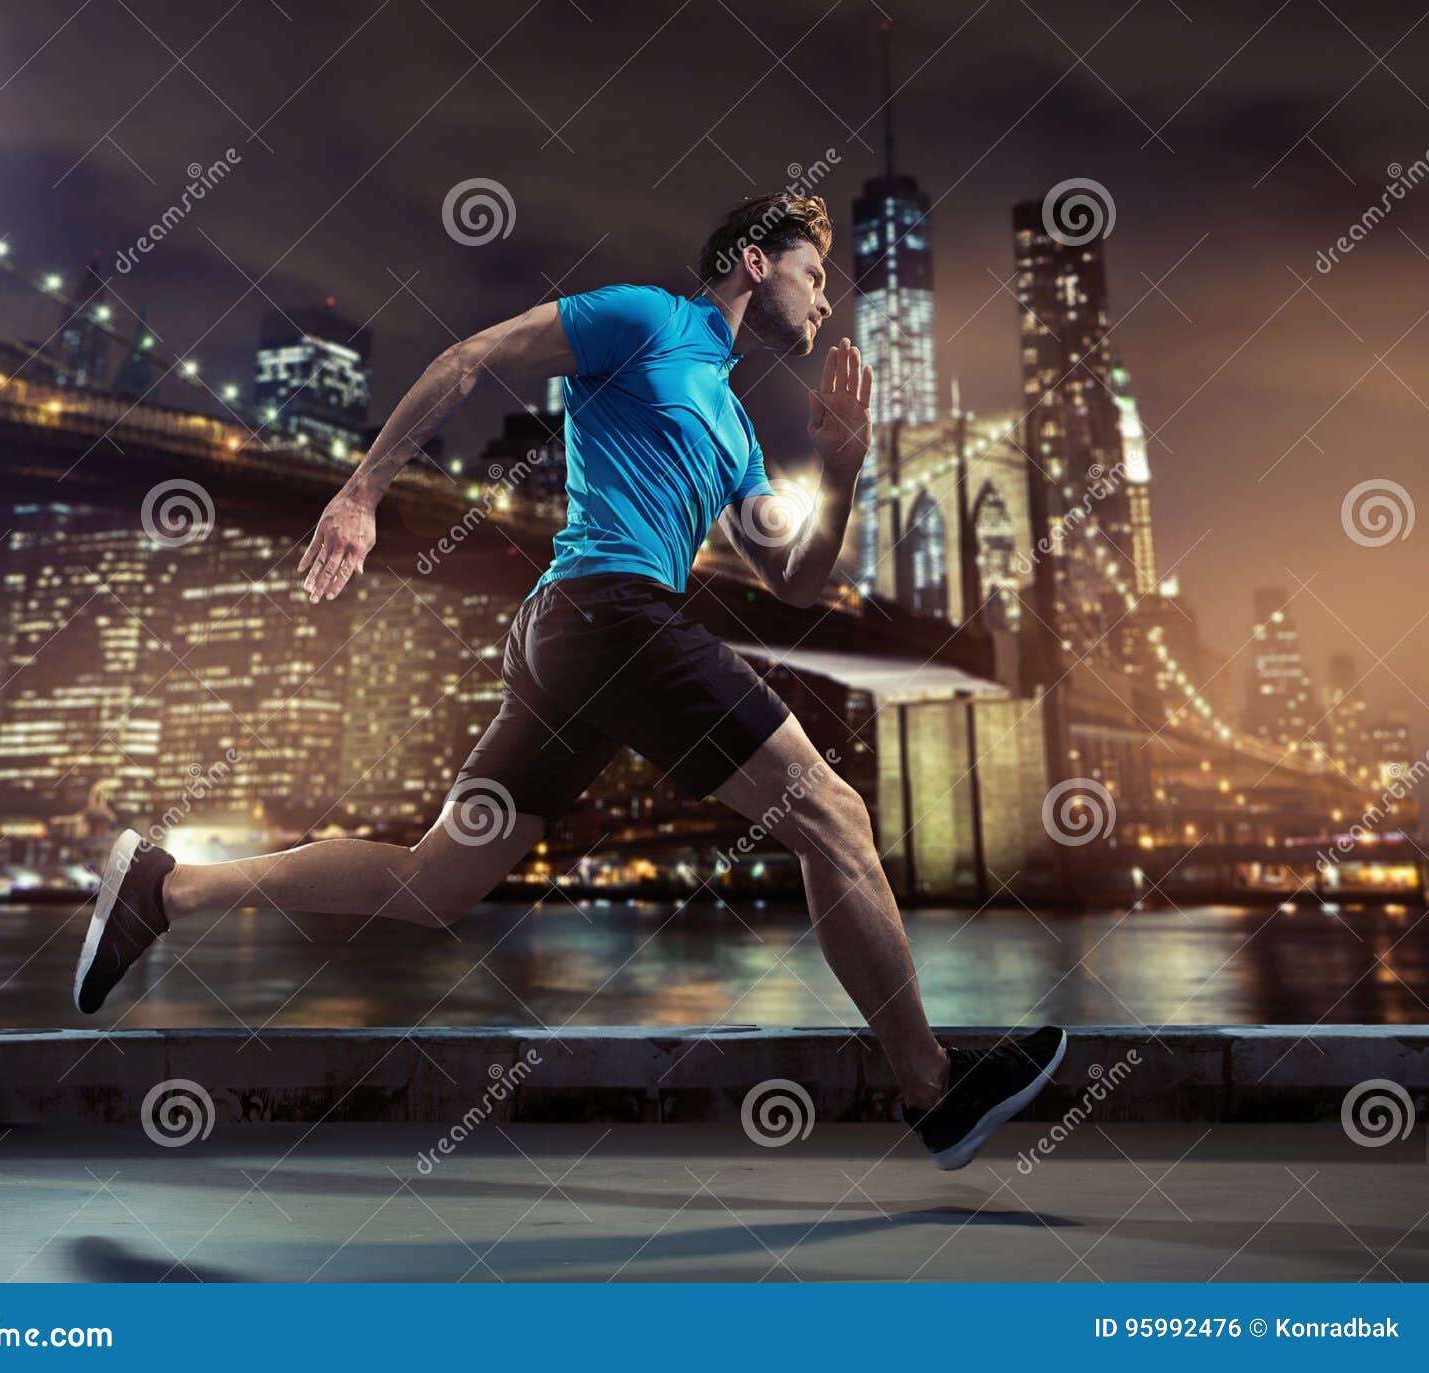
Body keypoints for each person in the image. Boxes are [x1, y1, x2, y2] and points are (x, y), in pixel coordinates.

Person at [73, 192, 1065, 1171]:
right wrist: (362, 489)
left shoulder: (733, 429)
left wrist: (842, 471)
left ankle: (165, 889)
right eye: (813, 275)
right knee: (832, 812)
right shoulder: (644, 317)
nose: (822, 303)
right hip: (608, 612)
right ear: (755, 263)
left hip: (573, 648)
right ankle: (930, 1087)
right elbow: (470, 358)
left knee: (433, 884)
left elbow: (796, 584)